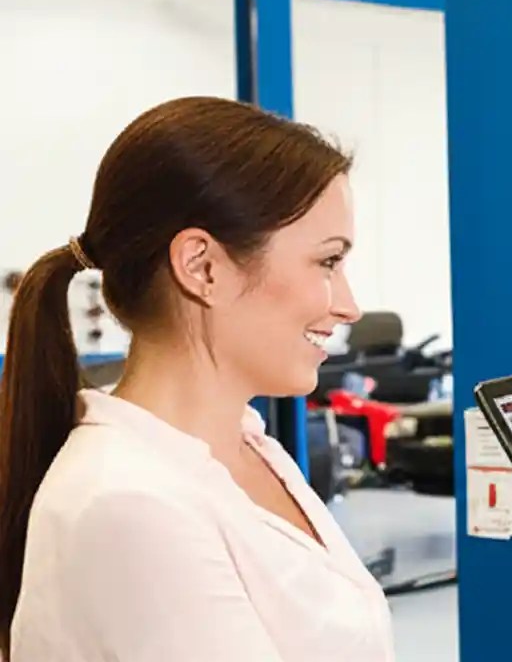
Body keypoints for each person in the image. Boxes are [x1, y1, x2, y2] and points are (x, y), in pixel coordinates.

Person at [0, 97, 395, 660]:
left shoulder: (248, 447)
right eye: (328, 262)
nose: (350, 307)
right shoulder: (130, 504)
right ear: (202, 267)